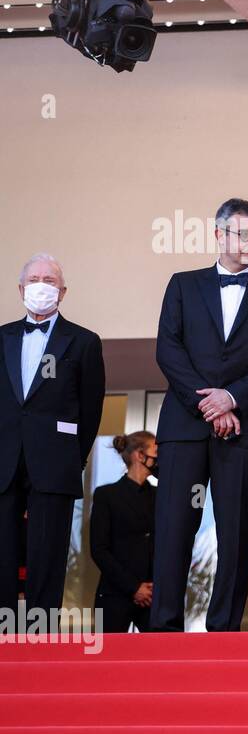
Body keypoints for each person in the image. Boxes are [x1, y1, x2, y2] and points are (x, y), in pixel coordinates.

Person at [152, 198, 248, 632]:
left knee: (236, 535)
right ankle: (163, 629)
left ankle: (223, 633)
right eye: (243, 233)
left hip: (245, 430)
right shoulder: (182, 285)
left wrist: (232, 398)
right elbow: (168, 349)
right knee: (174, 528)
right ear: (219, 235)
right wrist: (209, 404)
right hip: (184, 428)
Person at [0, 254, 105, 615]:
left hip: (55, 462)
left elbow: (90, 410)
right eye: (33, 280)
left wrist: (73, 458)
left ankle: (39, 637)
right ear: (20, 289)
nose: (40, 286)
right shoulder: (2, 337)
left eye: (48, 280)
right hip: (4, 459)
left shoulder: (84, 342)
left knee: (47, 552)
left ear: (62, 291)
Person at [90, 431, 158, 632]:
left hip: (152, 595)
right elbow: (99, 550)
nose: (159, 459)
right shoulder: (107, 495)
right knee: (106, 660)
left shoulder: (160, 495)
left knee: (158, 658)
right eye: (156, 452)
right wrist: (134, 587)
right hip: (115, 594)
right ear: (139, 455)